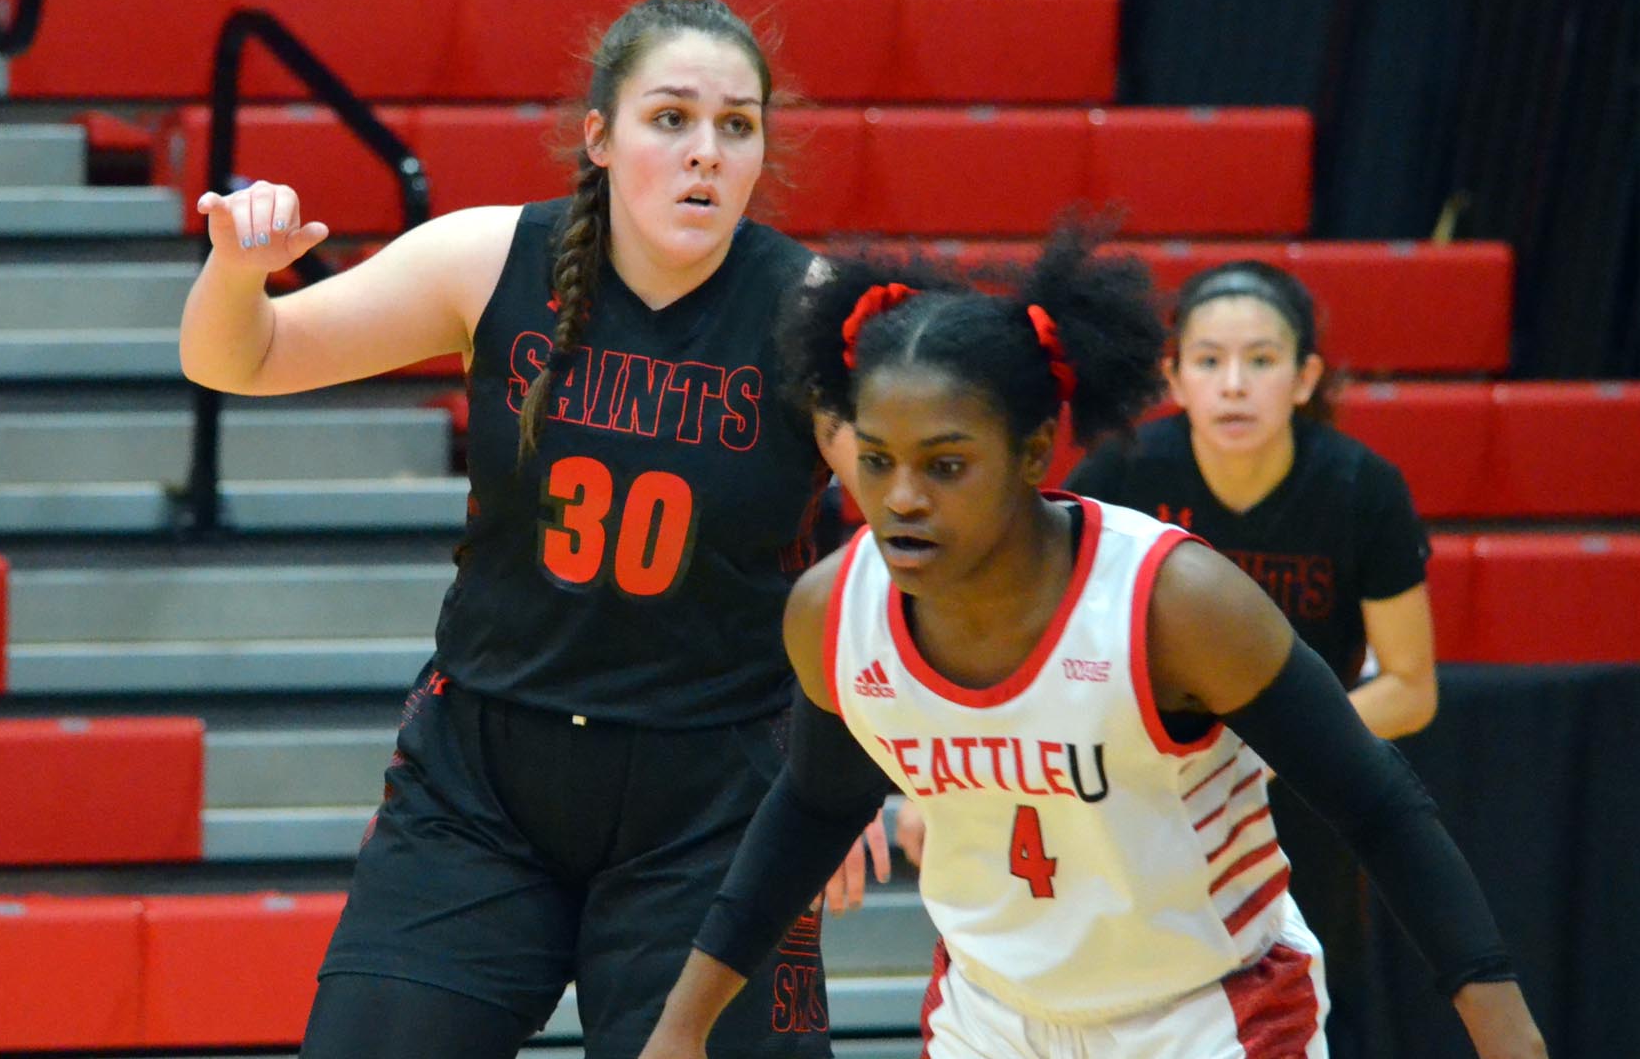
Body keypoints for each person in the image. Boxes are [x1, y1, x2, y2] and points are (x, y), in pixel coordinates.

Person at [636, 225, 1548, 1059]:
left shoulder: (1175, 604)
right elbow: (813, 806)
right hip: (989, 1016)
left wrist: (1504, 1028)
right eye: (876, 461)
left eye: (946, 465)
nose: (903, 497)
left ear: (1033, 453)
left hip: (1209, 1014)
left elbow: (1376, 805)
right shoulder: (833, 611)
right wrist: (681, 1027)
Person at [178, 0, 886, 1058]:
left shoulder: (812, 313)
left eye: (737, 126)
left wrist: (847, 769)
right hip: (481, 787)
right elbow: (241, 357)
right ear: (600, 136)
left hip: (718, 804)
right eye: (672, 118)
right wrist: (237, 272)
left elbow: (918, 538)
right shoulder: (489, 259)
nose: (706, 152)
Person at [1060, 259, 1437, 1055]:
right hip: (1144, 797)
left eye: (1261, 360)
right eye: (1209, 360)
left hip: (1306, 800)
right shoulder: (1120, 474)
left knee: (1302, 1012)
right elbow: (1050, 635)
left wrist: (1273, 745)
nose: (1234, 385)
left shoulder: (1363, 489)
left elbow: (1410, 687)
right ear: (1175, 377)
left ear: (1305, 379)